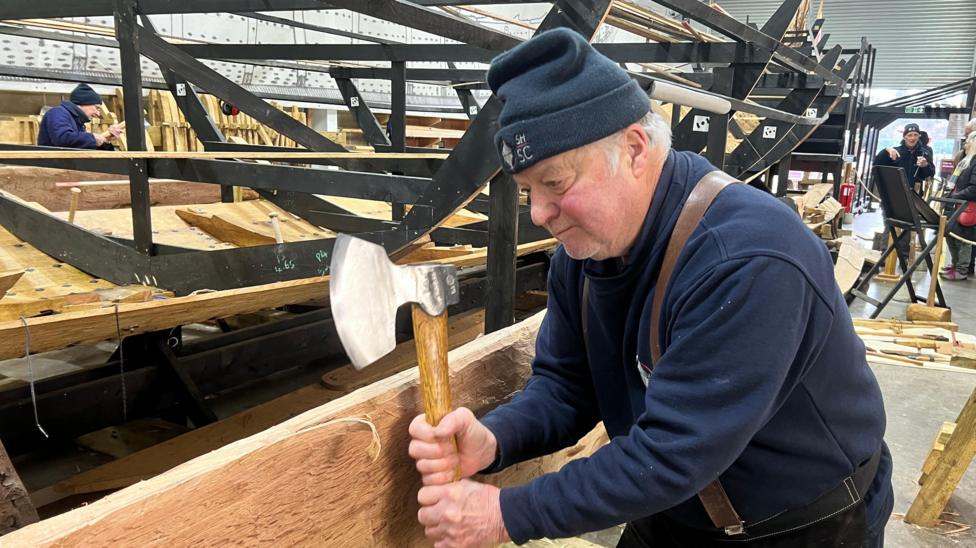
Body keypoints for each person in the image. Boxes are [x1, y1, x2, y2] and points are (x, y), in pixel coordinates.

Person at [408, 28, 892, 548]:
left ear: (635, 149)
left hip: (798, 526)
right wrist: (496, 439)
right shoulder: (587, 250)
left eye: (555, 184)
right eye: (527, 191)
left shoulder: (748, 259)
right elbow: (567, 386)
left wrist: (509, 513)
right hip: (673, 506)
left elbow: (675, 450)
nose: (540, 214)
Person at [37, 83, 121, 150]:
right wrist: (93, 138)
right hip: (54, 168)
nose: (98, 114)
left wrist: (105, 141)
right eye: (97, 108)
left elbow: (82, 146)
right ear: (84, 103)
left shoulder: (77, 121)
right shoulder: (57, 113)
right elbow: (62, 139)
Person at [941, 130, 976, 281]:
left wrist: (955, 196)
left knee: (963, 239)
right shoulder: (966, 160)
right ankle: (955, 265)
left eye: (968, 140)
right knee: (951, 234)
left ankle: (962, 269)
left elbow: (974, 188)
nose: (965, 143)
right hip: (958, 204)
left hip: (967, 206)